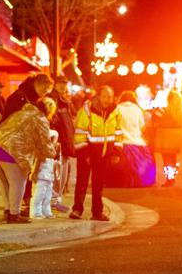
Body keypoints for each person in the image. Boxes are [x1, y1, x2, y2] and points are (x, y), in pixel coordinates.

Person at [0, 98, 56, 224]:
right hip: (11, 149)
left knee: (5, 182)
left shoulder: (21, 113)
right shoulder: (40, 118)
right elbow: (45, 145)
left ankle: (8, 211)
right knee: (18, 182)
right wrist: (54, 150)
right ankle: (14, 214)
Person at [69, 85, 121, 222]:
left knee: (98, 185)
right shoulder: (87, 110)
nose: (107, 100)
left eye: (110, 97)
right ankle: (77, 209)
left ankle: (97, 212)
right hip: (87, 153)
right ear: (98, 97)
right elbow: (80, 133)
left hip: (103, 155)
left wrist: (116, 152)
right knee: (82, 182)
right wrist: (85, 153)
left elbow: (118, 132)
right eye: (104, 96)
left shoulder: (115, 112)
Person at [115, 91, 156, 187]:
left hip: (122, 143)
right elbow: (142, 127)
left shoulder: (117, 109)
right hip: (137, 143)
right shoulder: (137, 110)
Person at [48, 76, 75, 211]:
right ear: (55, 84)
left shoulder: (65, 101)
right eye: (60, 83)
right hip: (58, 142)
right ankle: (54, 200)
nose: (63, 86)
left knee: (62, 171)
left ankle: (56, 199)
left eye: (65, 83)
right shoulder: (52, 100)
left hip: (65, 141)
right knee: (57, 172)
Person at [152, 90, 182, 187]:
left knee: (166, 158)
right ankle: (172, 177)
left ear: (169, 99)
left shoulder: (163, 110)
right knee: (173, 157)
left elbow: (154, 119)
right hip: (177, 137)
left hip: (165, 136)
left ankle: (169, 178)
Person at [31, 129, 59, 219]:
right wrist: (35, 173)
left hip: (49, 176)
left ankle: (46, 211)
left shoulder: (52, 150)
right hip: (42, 175)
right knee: (39, 194)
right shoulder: (42, 151)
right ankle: (36, 212)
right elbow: (38, 163)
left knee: (48, 195)